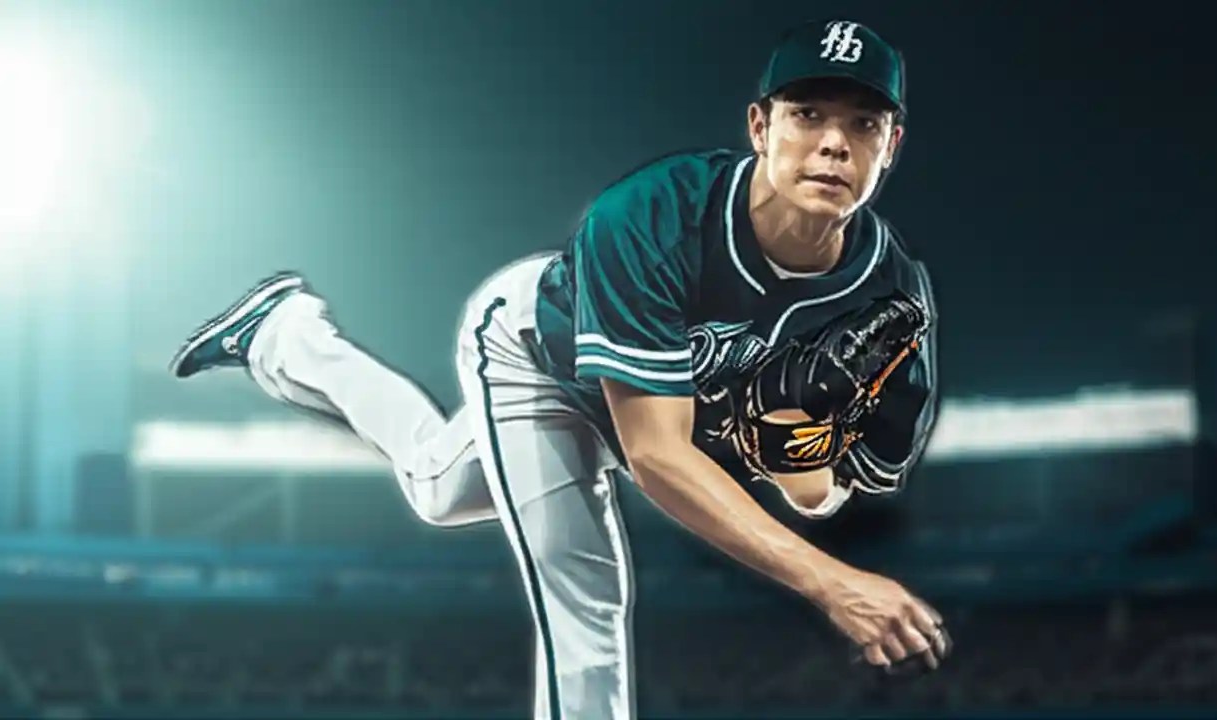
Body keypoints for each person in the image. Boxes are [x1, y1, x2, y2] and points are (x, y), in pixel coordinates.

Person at [170, 18, 948, 720]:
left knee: (439, 491)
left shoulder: (892, 297)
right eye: (807, 114)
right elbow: (656, 455)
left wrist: (798, 441)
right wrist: (829, 582)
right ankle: (287, 338)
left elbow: (816, 496)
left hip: (651, 414)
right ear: (759, 125)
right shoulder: (653, 216)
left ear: (893, 145)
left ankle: (282, 336)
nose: (834, 143)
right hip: (539, 357)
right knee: (587, 592)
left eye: (864, 122)